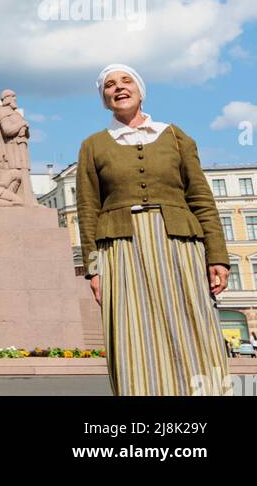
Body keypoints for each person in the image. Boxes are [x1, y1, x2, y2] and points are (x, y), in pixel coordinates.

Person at [76, 64, 231, 396]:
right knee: (133, 330)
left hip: (178, 243)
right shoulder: (93, 146)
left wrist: (217, 256)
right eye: (109, 85)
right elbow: (89, 209)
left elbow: (200, 197)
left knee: (193, 322)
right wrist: (93, 269)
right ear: (104, 99)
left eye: (126, 80)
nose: (118, 87)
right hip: (121, 248)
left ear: (140, 90)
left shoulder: (176, 136)